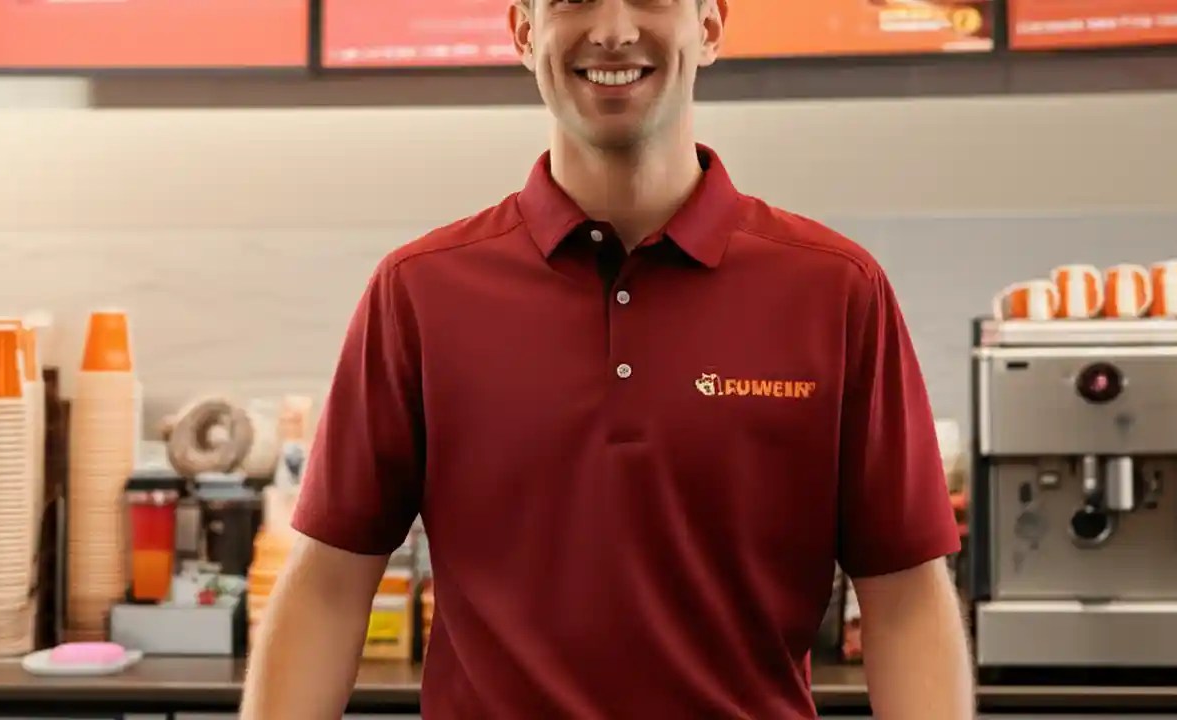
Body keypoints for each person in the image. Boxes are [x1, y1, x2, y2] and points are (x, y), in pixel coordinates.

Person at [240, 0, 974, 718]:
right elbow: (330, 583)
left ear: (710, 27)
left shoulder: (834, 289)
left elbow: (905, 595)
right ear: (525, 33)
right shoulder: (420, 292)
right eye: (575, 0)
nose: (615, 30)